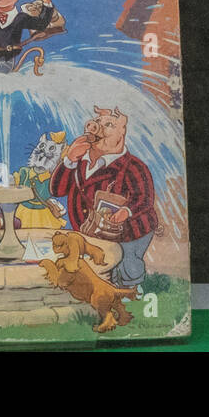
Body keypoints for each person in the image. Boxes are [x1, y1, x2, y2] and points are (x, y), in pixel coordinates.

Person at [49, 107, 158, 290]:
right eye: (97, 123)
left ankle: (132, 292)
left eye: (109, 125)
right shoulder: (80, 161)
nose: (98, 128)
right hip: (92, 231)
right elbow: (57, 190)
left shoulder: (133, 166)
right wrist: (69, 160)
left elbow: (145, 197)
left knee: (127, 264)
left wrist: (126, 211)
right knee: (101, 266)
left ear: (121, 133)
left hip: (131, 232)